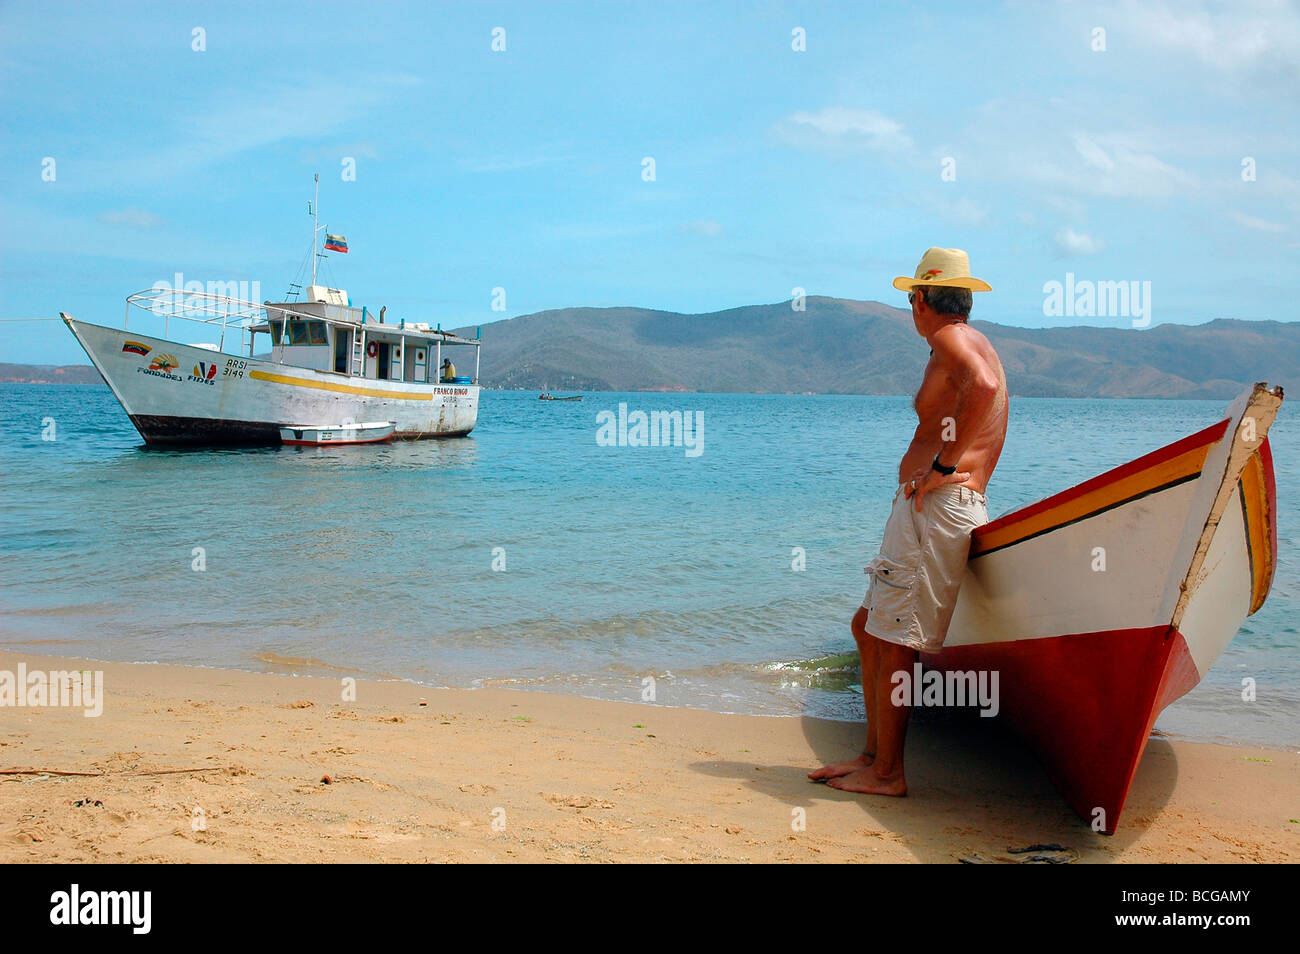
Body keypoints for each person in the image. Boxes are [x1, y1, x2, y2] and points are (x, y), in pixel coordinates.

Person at [809, 247, 1008, 797]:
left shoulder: (951, 339)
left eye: (911, 299)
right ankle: (872, 756)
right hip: (926, 509)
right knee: (867, 627)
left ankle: (889, 774)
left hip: (938, 510)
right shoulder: (970, 340)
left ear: (920, 299)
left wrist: (943, 467)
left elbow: (985, 392)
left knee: (897, 641)